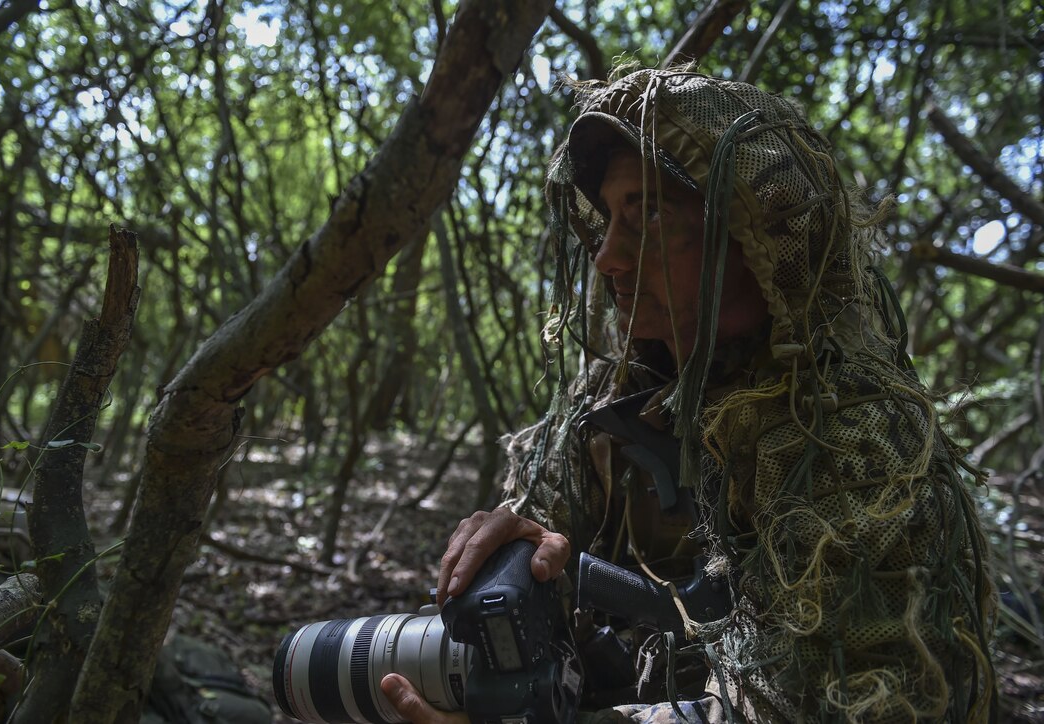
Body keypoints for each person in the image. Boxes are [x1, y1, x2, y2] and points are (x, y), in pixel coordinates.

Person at [381, 65, 997, 723]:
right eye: (611, 217)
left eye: (647, 212)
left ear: (753, 237)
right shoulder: (614, 402)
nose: (607, 257)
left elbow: (850, 703)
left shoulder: (852, 440)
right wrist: (513, 555)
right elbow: (542, 553)